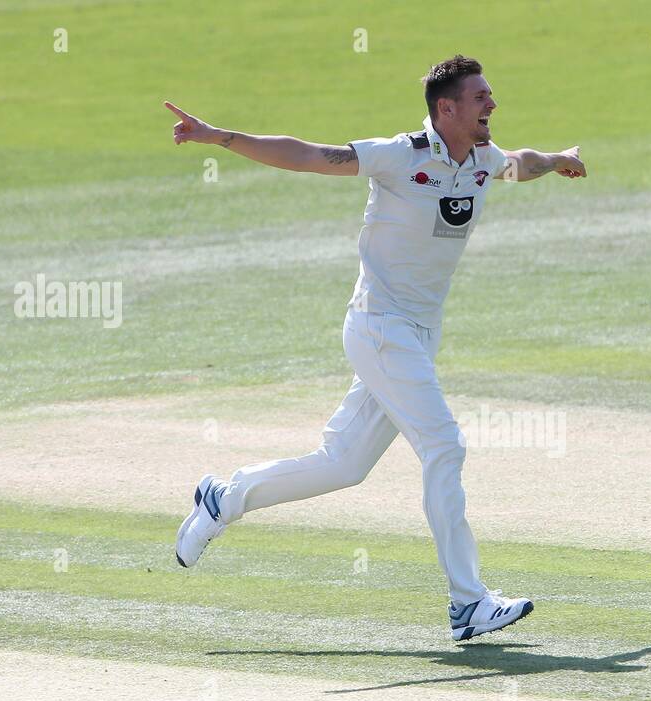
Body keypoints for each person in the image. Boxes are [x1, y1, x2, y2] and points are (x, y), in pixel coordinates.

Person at [164, 55, 586, 641]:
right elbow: (310, 155)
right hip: (380, 327)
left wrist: (561, 159)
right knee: (445, 446)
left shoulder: (485, 162)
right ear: (447, 109)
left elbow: (523, 163)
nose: (492, 104)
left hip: (414, 338)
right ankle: (468, 602)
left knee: (344, 464)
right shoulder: (401, 155)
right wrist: (220, 137)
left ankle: (223, 498)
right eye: (481, 97)